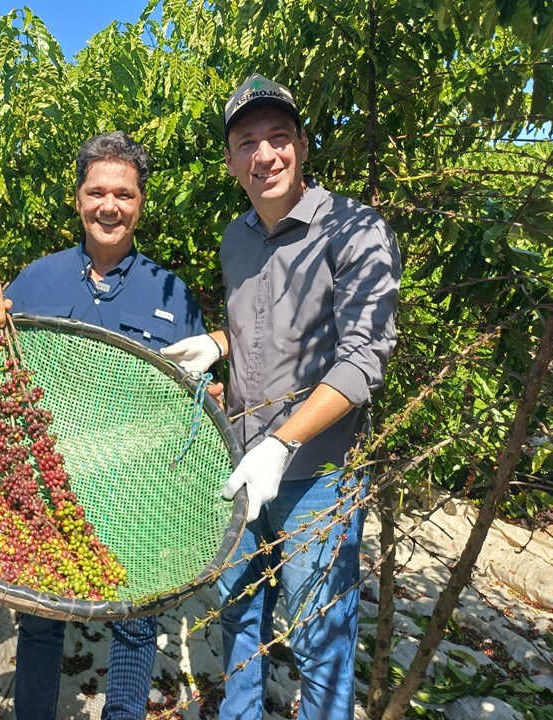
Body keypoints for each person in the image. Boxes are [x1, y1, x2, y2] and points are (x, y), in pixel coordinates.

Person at [0, 130, 209, 720]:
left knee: (137, 620)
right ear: (78, 198)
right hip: (53, 486)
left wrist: (205, 397)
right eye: (97, 192)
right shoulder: (39, 280)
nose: (110, 206)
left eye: (124, 194)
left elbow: (193, 398)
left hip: (141, 487)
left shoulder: (172, 292)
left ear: (141, 203)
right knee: (42, 616)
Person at [160, 73, 402, 719]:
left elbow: (364, 357)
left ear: (301, 146)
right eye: (247, 142)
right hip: (238, 467)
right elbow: (264, 326)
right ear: (230, 160)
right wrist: (218, 341)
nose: (264, 155)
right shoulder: (235, 238)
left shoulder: (354, 229)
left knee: (320, 640)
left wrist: (282, 443)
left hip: (317, 475)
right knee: (238, 620)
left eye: (278, 137)